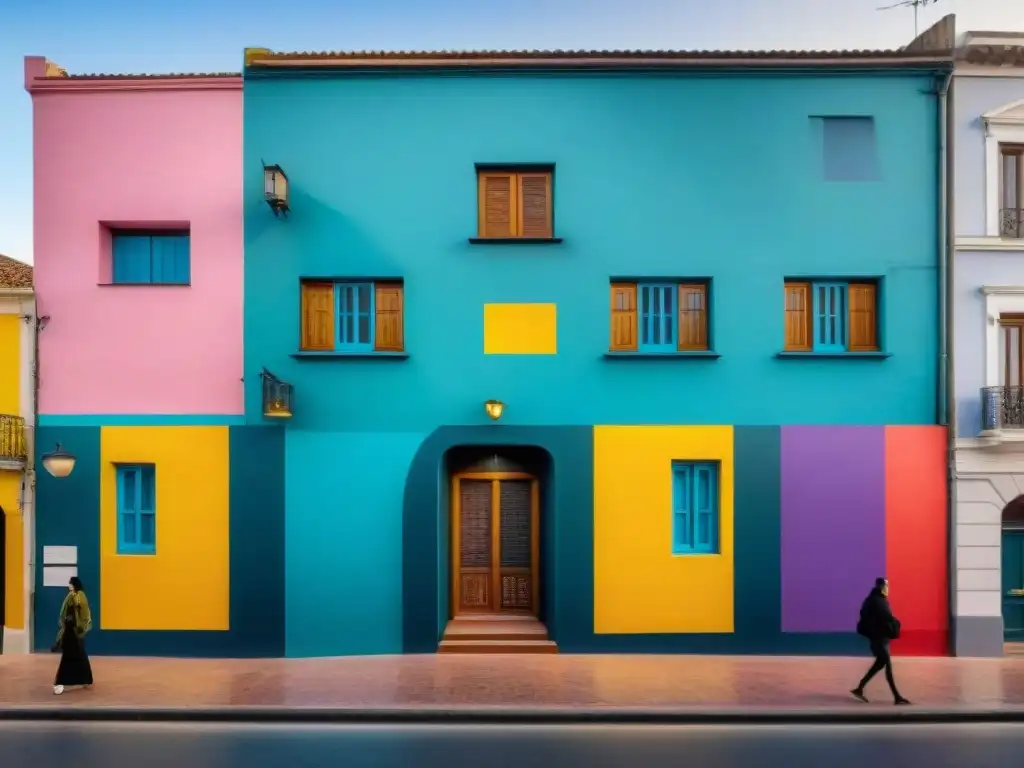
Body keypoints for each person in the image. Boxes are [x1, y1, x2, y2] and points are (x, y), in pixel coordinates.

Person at [851, 577, 910, 705]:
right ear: (882, 587)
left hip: (876, 639)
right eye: (886, 586)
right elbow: (887, 617)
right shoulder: (879, 601)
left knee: (879, 664)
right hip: (879, 639)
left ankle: (859, 688)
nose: (888, 589)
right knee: (887, 666)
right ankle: (897, 696)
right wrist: (896, 623)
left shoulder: (870, 600)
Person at [52, 576, 93, 695]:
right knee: (74, 654)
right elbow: (64, 610)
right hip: (69, 630)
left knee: (77, 654)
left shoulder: (80, 596)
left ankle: (62, 682)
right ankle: (80, 679)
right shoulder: (69, 596)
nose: (69, 585)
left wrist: (83, 627)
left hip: (76, 630)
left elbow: (85, 613)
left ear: (75, 585)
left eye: (71, 583)